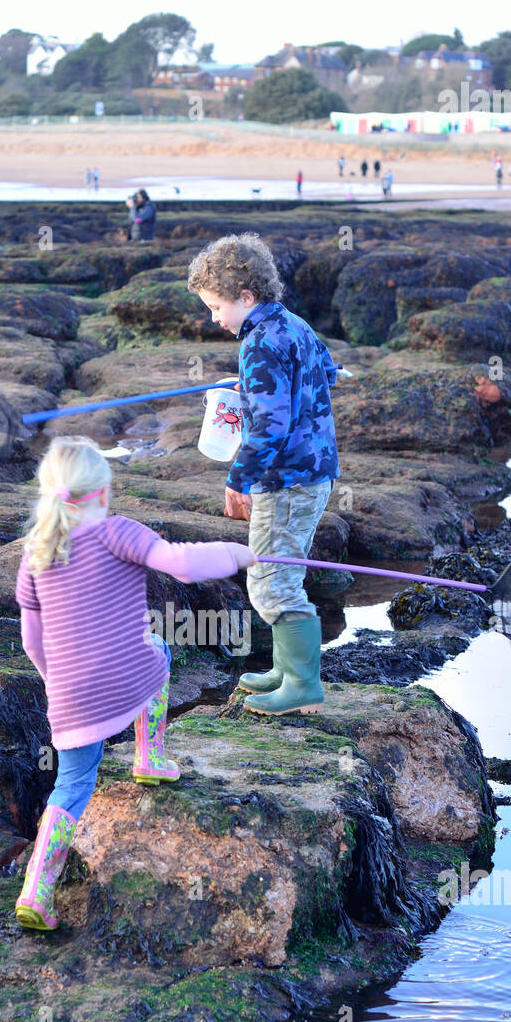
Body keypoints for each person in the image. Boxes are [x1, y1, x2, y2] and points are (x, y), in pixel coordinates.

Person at [13, 437, 255, 929]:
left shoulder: (35, 555)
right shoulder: (116, 532)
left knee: (73, 785)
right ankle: (151, 756)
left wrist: (52, 681)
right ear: (103, 493)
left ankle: (37, 891)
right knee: (161, 650)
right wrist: (240, 553)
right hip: (130, 676)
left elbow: (30, 642)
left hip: (70, 698)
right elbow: (184, 564)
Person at [187, 232, 339, 717]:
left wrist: (238, 479)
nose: (214, 318)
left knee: (272, 581)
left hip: (287, 478)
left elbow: (270, 425)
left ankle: (302, 686)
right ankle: (284, 668)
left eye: (216, 307)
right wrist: (252, 387)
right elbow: (327, 372)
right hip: (316, 471)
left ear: (246, 297)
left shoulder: (258, 343)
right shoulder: (292, 324)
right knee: (280, 571)